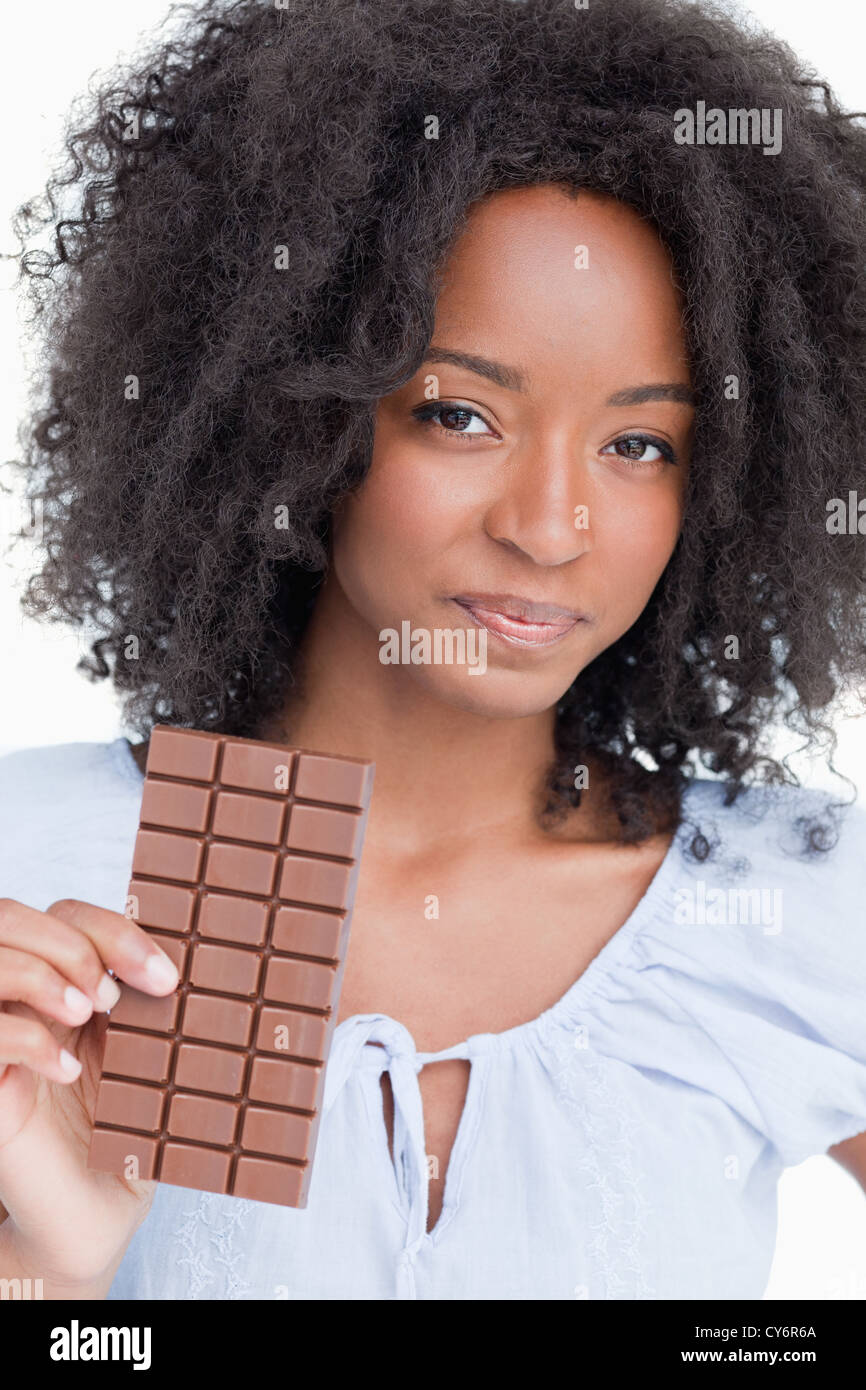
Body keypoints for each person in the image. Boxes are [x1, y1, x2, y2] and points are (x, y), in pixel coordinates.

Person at [1, 0, 865, 1300]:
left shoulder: (802, 898)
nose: (549, 527)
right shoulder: (30, 872)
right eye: (459, 413)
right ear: (295, 422)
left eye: (639, 443)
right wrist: (50, 1276)